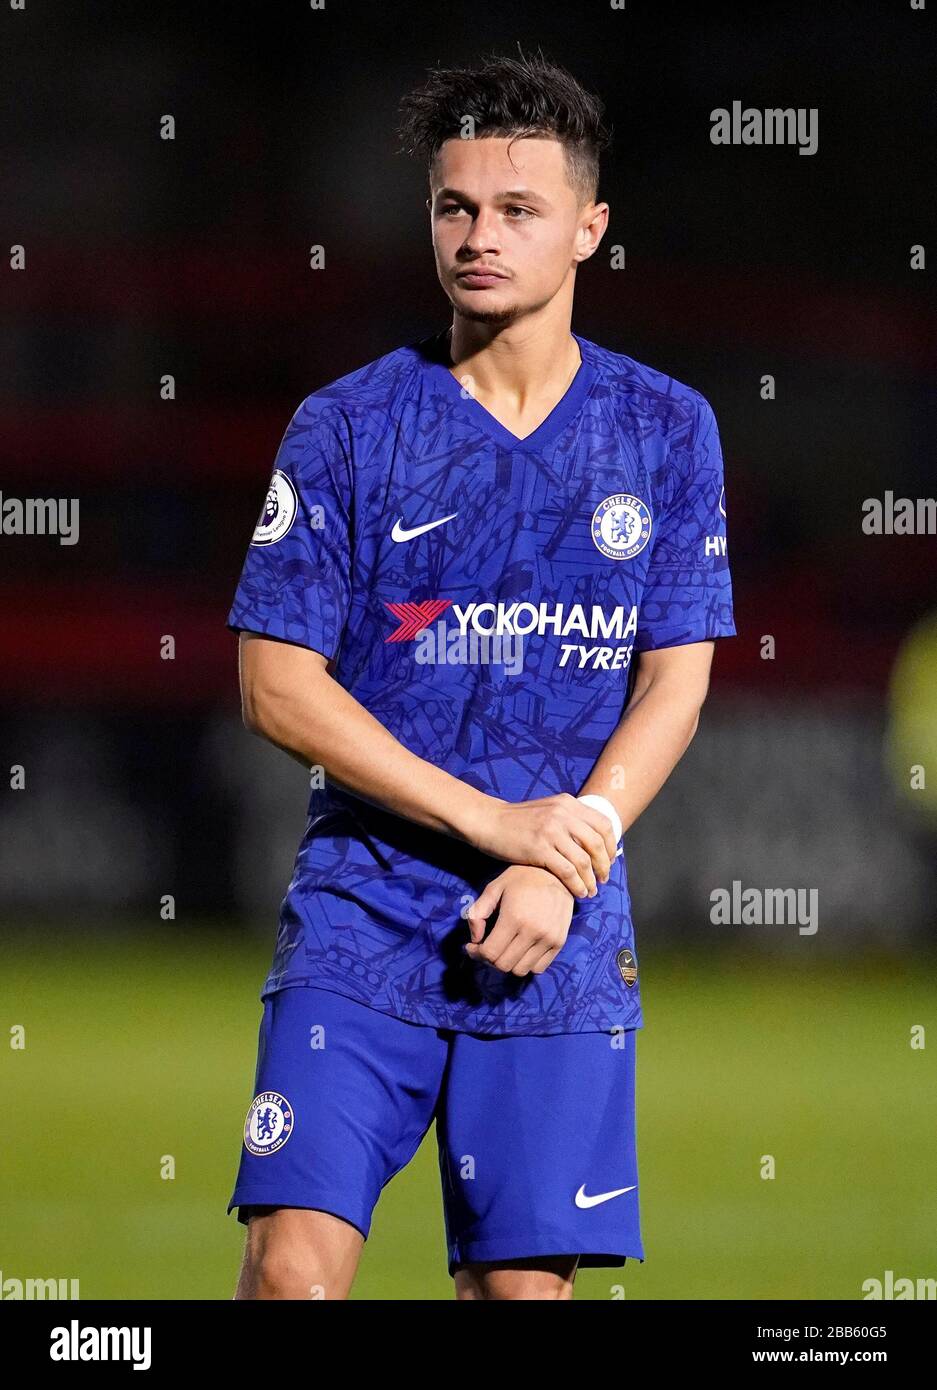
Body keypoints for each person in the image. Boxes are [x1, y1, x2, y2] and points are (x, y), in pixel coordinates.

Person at [226, 49, 735, 1301]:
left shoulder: (665, 429)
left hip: (559, 929)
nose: (480, 235)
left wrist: (572, 847)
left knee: (519, 1296)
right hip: (362, 914)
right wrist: (493, 821)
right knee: (292, 1273)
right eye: (455, 206)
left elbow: (675, 677)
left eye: (518, 210)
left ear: (588, 230)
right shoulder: (347, 425)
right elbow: (273, 683)